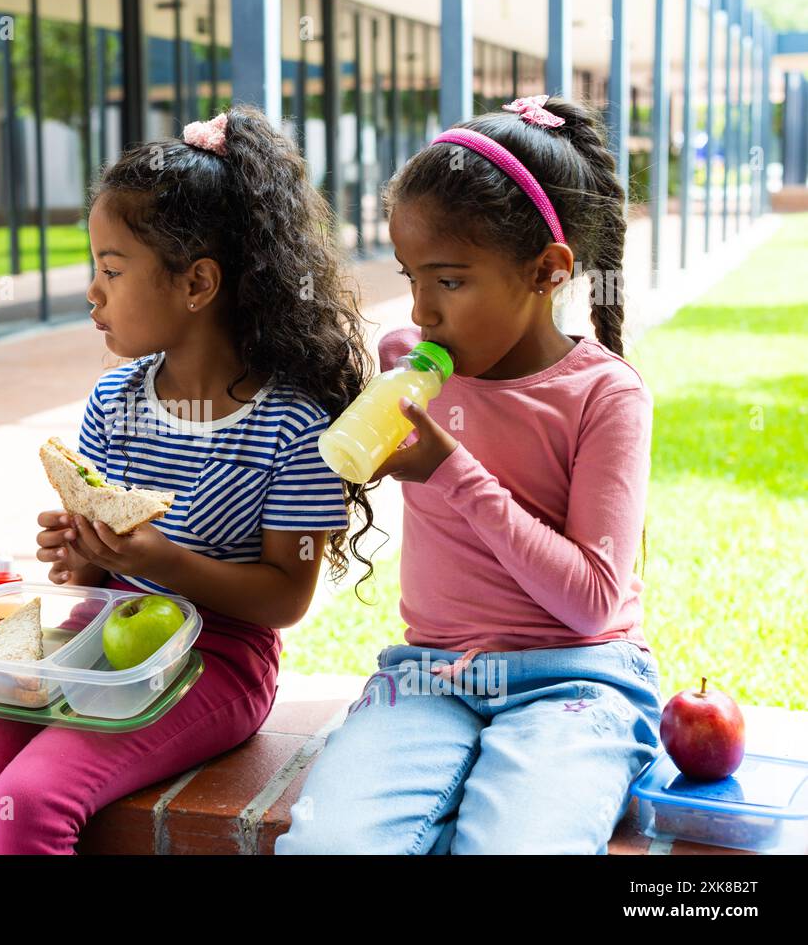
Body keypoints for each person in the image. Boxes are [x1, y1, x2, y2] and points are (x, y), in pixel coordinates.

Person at [0, 104, 378, 854]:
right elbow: (95, 573)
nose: (91, 291)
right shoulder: (114, 399)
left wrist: (166, 564)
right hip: (100, 628)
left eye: (112, 269)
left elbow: (285, 597)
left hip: (218, 658)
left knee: (29, 801)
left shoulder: (293, 424)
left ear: (196, 283)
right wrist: (84, 550)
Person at [276, 94, 661, 855]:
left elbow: (589, 604)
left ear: (547, 271)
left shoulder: (605, 396)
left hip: (577, 680)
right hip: (430, 676)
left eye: (449, 281)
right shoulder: (406, 368)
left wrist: (451, 472)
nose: (421, 311)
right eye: (409, 276)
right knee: (330, 845)